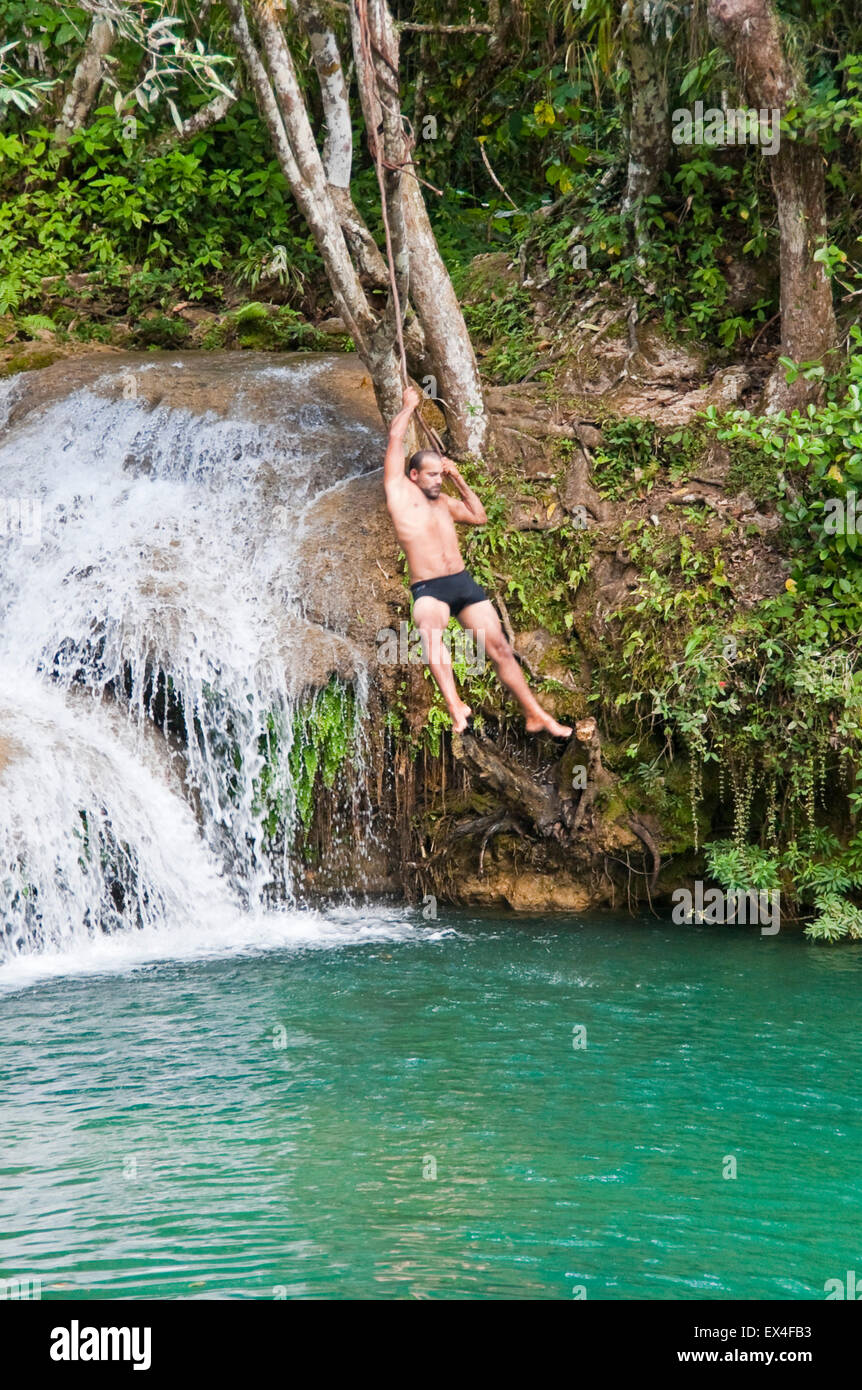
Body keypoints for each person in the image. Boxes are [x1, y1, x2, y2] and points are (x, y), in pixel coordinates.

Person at [383, 385, 573, 739]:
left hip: (462, 584)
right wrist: (409, 405)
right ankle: (456, 706)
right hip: (429, 589)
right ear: (413, 476)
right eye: (433, 475)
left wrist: (458, 478)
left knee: (500, 647)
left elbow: (479, 516)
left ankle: (535, 714)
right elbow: (395, 436)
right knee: (429, 631)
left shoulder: (445, 502)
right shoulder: (398, 492)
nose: (438, 480)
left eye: (440, 475)